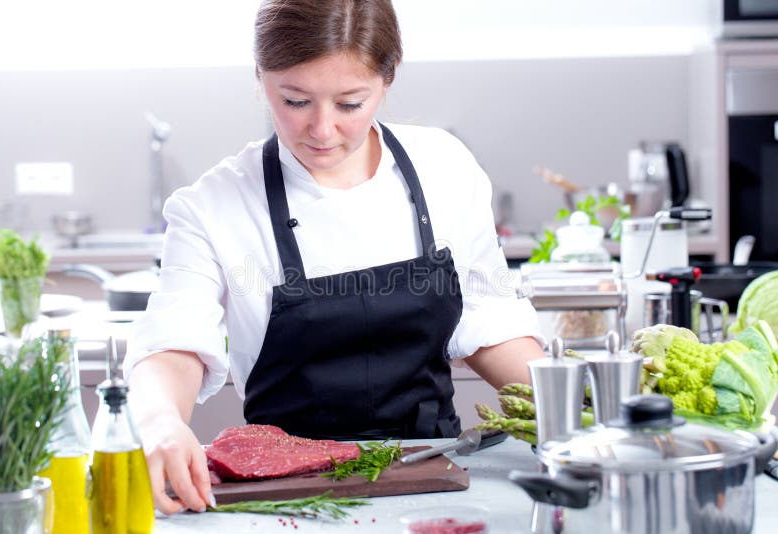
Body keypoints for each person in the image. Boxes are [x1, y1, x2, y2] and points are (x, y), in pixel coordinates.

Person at [123, 0, 545, 515]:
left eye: (349, 103)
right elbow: (174, 342)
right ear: (261, 76)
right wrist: (159, 420)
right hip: (284, 497)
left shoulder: (445, 168)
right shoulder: (213, 205)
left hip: (431, 474)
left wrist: (572, 403)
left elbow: (490, 317)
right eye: (295, 101)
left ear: (387, 78)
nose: (321, 130)